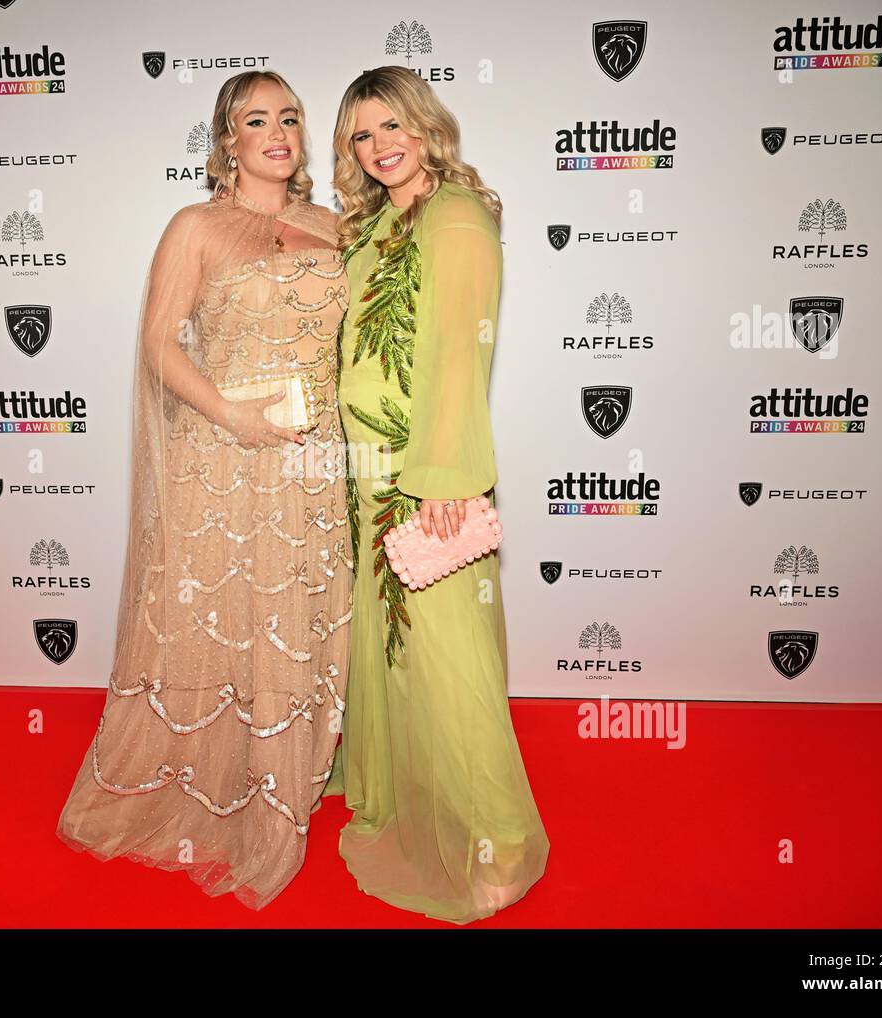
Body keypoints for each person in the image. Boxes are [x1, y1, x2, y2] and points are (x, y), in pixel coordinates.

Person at [56, 70, 353, 910]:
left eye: (290, 117)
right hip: (223, 457)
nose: (278, 132)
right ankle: (208, 785)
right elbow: (158, 343)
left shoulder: (332, 227)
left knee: (294, 618)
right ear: (227, 140)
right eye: (257, 119)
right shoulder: (194, 226)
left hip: (311, 461)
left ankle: (287, 776)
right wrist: (231, 414)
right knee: (219, 625)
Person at [323, 65, 549, 923]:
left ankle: (497, 843)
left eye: (392, 127)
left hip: (423, 476)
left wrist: (443, 482)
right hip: (367, 471)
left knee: (450, 659)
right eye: (360, 135)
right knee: (393, 653)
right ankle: (397, 792)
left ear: (427, 125)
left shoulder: (454, 216)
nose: (379, 147)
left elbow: (462, 355)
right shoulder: (383, 219)